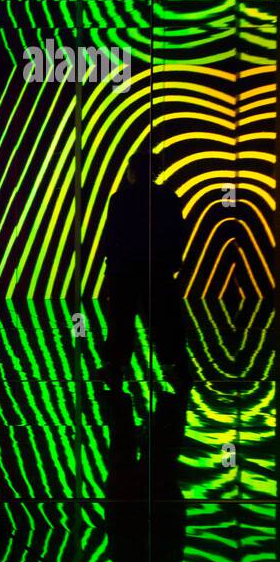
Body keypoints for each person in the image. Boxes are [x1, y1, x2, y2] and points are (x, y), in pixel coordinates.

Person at [99, 147, 191, 392]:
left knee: (121, 320)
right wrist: (174, 261)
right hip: (158, 269)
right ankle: (179, 365)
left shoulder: (120, 199)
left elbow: (111, 235)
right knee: (164, 319)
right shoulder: (168, 198)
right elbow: (178, 233)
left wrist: (110, 264)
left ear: (133, 171)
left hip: (125, 270)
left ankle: (116, 366)